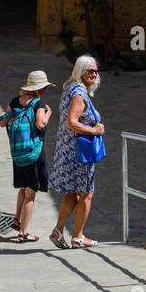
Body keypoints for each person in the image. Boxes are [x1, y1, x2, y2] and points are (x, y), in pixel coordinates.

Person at [47, 55, 104, 250]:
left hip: (68, 149)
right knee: (87, 193)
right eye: (90, 71)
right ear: (81, 72)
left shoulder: (70, 88)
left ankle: (58, 230)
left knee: (72, 191)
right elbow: (72, 122)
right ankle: (78, 236)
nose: (94, 74)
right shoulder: (79, 93)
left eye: (96, 70)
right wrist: (94, 130)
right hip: (79, 152)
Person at [0, 69, 54, 243]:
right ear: (40, 88)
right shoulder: (38, 104)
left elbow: (2, 121)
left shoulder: (15, 101)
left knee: (23, 188)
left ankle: (17, 218)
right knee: (31, 194)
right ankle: (23, 232)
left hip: (18, 154)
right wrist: (48, 112)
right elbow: (41, 123)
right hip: (32, 155)